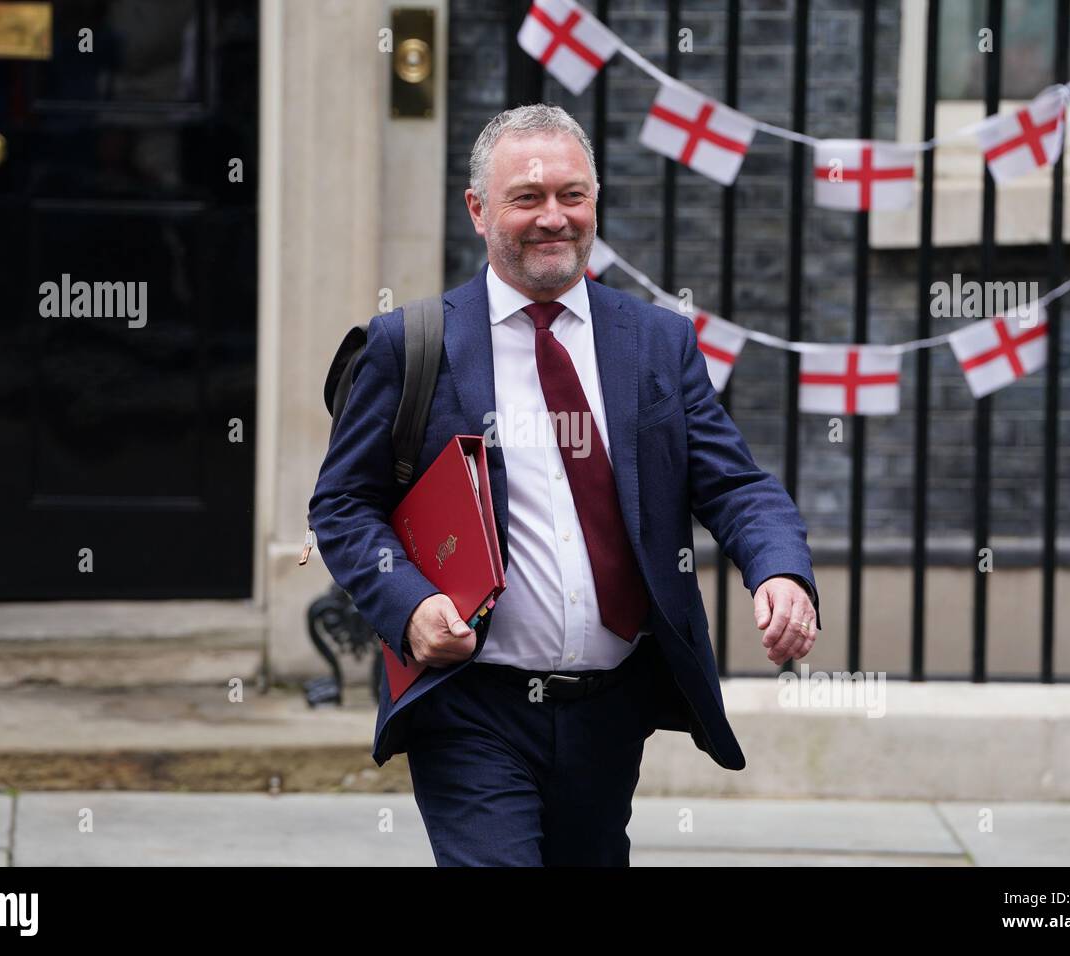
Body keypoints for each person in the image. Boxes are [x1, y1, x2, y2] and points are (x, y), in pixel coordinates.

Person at [308, 103, 819, 866]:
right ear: (479, 210)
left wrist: (779, 569)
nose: (555, 217)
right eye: (528, 197)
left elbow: (734, 484)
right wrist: (408, 607)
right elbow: (344, 505)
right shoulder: (409, 345)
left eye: (572, 195)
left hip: (608, 711)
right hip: (470, 704)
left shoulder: (656, 342)